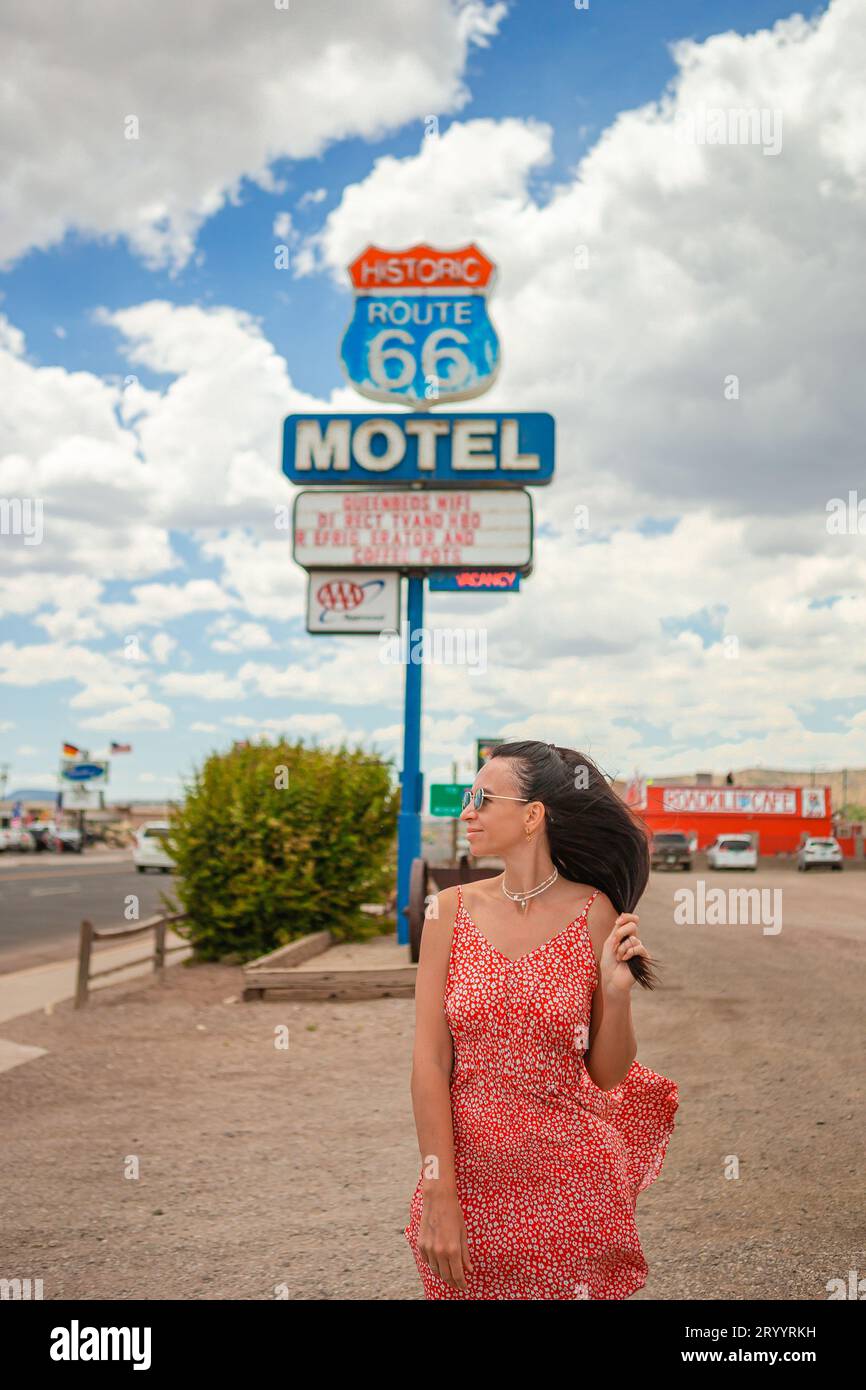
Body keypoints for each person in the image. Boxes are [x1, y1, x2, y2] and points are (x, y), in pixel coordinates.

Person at [403, 739, 679, 1300]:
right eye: (466, 797)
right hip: (468, 1188)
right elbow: (429, 1062)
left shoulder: (595, 912)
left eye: (481, 797)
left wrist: (617, 994)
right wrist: (439, 1191)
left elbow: (606, 1074)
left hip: (574, 1190)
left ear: (532, 816)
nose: (467, 812)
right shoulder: (448, 912)